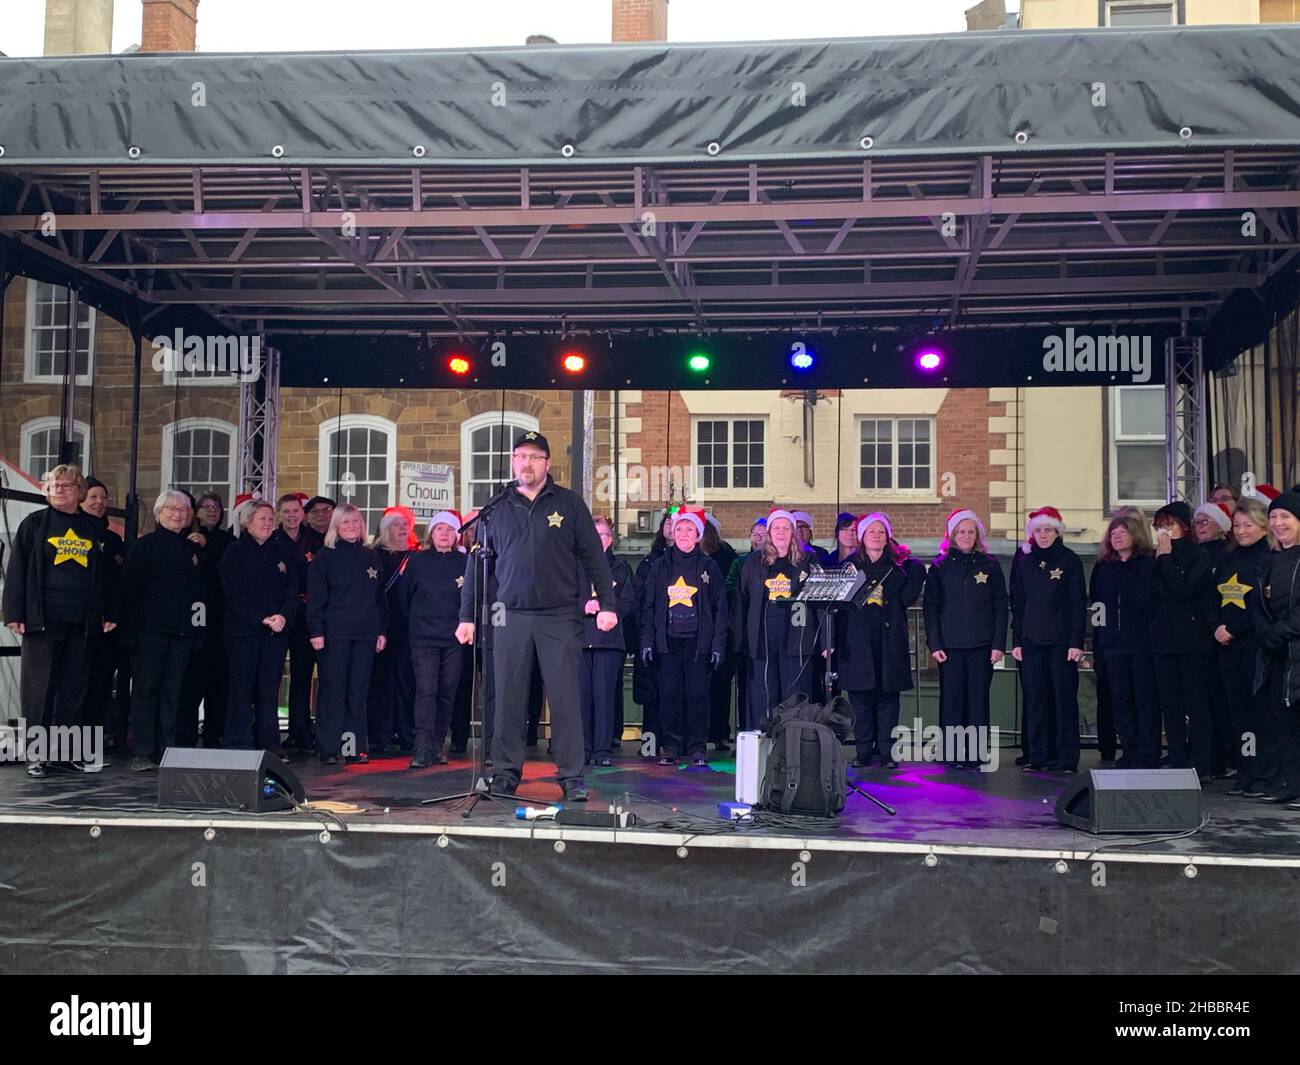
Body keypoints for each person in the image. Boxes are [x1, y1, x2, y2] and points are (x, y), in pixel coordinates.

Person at [454, 432, 616, 802]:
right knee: (507, 700)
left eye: (534, 457)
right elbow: (478, 566)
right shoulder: (496, 508)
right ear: (513, 461)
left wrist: (607, 604)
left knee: (565, 699)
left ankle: (572, 775)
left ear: (547, 463)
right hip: (510, 616)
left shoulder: (570, 504)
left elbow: (595, 558)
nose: (526, 463)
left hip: (560, 616)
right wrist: (467, 617)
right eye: (519, 456)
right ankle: (505, 774)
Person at [3, 465, 117, 777]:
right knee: (38, 691)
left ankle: (68, 754)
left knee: (74, 689)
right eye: (54, 485)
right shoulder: (35, 523)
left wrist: (110, 612)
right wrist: (14, 612)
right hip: (43, 620)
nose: (60, 490)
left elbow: (107, 577)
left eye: (67, 485)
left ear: (79, 491)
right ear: (46, 490)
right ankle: (36, 756)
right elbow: (17, 569)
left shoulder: (92, 528)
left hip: (82, 622)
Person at [120, 490, 210, 771]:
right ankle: (144, 751)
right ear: (159, 513)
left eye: (183, 510)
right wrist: (129, 632)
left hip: (183, 634)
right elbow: (128, 592)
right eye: (172, 509)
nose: (178, 514)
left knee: (174, 692)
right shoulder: (143, 546)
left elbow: (201, 595)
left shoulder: (193, 550)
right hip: (149, 633)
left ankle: (167, 748)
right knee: (146, 690)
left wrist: (199, 631)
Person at [834, 513, 926, 768]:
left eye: (881, 532)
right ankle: (863, 752)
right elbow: (839, 608)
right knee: (860, 700)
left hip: (889, 642)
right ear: (862, 537)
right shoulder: (849, 567)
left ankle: (886, 752)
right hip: (857, 641)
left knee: (888, 699)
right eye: (871, 531)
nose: (877, 535)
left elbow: (907, 597)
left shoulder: (901, 569)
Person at [638, 507, 727, 767]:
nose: (684, 534)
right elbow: (648, 607)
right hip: (668, 643)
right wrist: (647, 641)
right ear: (672, 533)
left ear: (698, 535)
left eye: (690, 529)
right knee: (669, 696)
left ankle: (697, 747)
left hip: (699, 644)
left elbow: (720, 608)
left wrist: (718, 644)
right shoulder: (660, 567)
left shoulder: (709, 567)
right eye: (679, 529)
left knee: (698, 695)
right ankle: (672, 745)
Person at [922, 509, 1008, 766]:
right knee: (951, 701)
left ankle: (976, 754)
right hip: (949, 646)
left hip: (982, 646)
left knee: (978, 701)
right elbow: (931, 607)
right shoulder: (940, 566)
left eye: (971, 531)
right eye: (962, 531)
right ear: (952, 535)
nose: (967, 536)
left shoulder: (990, 565)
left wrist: (998, 644)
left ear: (978, 535)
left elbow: (1001, 606)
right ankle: (952, 753)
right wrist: (934, 643)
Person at [308, 503, 388, 765]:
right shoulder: (324, 557)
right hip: (334, 634)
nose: (352, 527)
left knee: (357, 690)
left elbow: (379, 600)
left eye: (356, 522)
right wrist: (316, 630)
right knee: (333, 690)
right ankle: (329, 748)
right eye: (346, 523)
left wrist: (381, 631)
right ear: (336, 527)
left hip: (365, 634)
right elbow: (317, 598)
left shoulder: (370, 556)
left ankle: (354, 747)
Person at [1011, 507, 1087, 773]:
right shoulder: (1025, 561)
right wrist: (1017, 640)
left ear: (1057, 532)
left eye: (1048, 530)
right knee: (1035, 699)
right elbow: (1019, 603)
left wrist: (1077, 641)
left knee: (1064, 699)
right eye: (1038, 530)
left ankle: (1067, 757)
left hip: (1062, 642)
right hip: (1031, 640)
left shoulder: (1070, 560)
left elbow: (1079, 603)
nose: (1043, 535)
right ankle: (1038, 755)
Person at [219, 501, 298, 752]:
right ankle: (238, 743)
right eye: (261, 518)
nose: (267, 523)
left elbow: (293, 590)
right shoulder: (235, 551)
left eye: (270, 518)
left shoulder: (282, 551)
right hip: (244, 632)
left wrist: (284, 616)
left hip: (275, 633)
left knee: (269, 690)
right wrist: (260, 618)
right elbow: (234, 592)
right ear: (247, 522)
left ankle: (270, 746)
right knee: (241, 689)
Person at [1213, 499, 1278, 797]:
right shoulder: (1229, 559)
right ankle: (1246, 770)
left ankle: (1265, 774)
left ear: (1263, 527)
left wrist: (1235, 629)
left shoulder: (1268, 558)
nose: (1241, 531)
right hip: (1227, 648)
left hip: (1253, 645)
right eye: (1237, 525)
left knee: (1259, 713)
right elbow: (1212, 597)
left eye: (1247, 525)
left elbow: (1261, 607)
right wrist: (1216, 626)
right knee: (1237, 714)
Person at [1148, 501, 1217, 779]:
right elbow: (1147, 596)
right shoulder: (1156, 558)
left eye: (1169, 525)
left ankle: (1202, 760)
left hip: (1191, 641)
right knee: (1170, 702)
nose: (1164, 531)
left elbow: (1184, 590)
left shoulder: (1198, 556)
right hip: (1163, 640)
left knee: (1195, 702)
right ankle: (1176, 754)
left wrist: (1165, 559)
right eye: (1160, 526)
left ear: (1183, 527)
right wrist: (1159, 561)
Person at [733, 508, 819, 728]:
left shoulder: (808, 560)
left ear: (793, 532)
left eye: (786, 527)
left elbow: (820, 601)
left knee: (795, 692)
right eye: (776, 528)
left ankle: (795, 746)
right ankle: (763, 745)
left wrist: (828, 641)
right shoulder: (754, 561)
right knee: (762, 692)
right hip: (761, 636)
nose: (781, 532)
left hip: (797, 636)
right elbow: (742, 600)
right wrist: (740, 638)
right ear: (769, 532)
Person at [1089, 511, 1158, 768]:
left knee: (1144, 698)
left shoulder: (1148, 564)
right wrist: (1099, 642)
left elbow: (1149, 600)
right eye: (1113, 533)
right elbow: (1097, 606)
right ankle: (1129, 750)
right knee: (1120, 700)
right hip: (1112, 644)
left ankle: (1147, 752)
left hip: (1141, 643)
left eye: (1123, 532)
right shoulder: (1105, 567)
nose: (1116, 537)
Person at [401, 511, 467, 768]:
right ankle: (422, 748)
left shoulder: (465, 562)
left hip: (453, 638)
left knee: (447, 691)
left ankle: (438, 745)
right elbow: (404, 597)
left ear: (456, 535)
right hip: (423, 637)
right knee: (426, 691)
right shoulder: (417, 561)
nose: (444, 534)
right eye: (439, 529)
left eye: (449, 530)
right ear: (431, 533)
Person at [179, 491, 234, 748]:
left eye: (216, 506)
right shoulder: (186, 539)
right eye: (206, 507)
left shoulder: (226, 541)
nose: (212, 510)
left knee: (218, 684)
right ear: (196, 512)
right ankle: (187, 736)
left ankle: (215, 735)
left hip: (220, 620)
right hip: (193, 620)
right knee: (192, 684)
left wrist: (207, 545)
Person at [1256, 492, 1300, 807]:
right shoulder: (1269, 559)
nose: (1278, 523)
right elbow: (1258, 604)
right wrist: (1266, 633)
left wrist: (1281, 631)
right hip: (1276, 655)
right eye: (1274, 517)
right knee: (1282, 721)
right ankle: (1291, 782)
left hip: (1294, 648)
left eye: (1285, 517)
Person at [271, 493, 324, 750]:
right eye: (286, 511)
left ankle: (300, 731)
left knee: (302, 676)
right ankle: (268, 733)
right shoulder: (272, 542)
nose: (292, 516)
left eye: (296, 511)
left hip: (305, 617)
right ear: (279, 514)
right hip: (279, 616)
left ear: (303, 514)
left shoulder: (314, 543)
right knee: (271, 677)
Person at [581, 515, 635, 766]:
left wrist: (605, 607)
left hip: (609, 642)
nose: (597, 539)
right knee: (581, 698)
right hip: (579, 640)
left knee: (604, 698)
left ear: (609, 540)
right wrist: (584, 606)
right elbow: (562, 597)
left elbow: (628, 603)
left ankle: (602, 750)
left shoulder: (621, 568)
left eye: (602, 535)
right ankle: (582, 748)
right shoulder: (574, 565)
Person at [80, 477, 129, 751]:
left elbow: (119, 584)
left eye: (103, 497)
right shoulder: (75, 535)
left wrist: (114, 614)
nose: (99, 503)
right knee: (77, 685)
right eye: (93, 497)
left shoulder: (113, 540)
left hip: (109, 627)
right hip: (80, 623)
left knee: (100, 686)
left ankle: (93, 745)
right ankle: (67, 745)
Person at [367, 506, 419, 755]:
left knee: (407, 682)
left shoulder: (415, 557)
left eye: (404, 525)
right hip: (383, 625)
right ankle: (380, 734)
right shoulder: (374, 556)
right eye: (396, 525)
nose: (402, 529)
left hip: (409, 627)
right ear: (385, 529)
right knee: (381, 682)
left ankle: (407, 733)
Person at [632, 511, 675, 753]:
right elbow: (640, 601)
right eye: (668, 523)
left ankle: (673, 742)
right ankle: (649, 742)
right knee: (650, 692)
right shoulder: (649, 563)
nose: (672, 528)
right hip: (652, 634)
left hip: (677, 634)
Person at [700, 513, 738, 752]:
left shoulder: (728, 558)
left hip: (723, 630)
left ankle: (719, 732)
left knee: (720, 685)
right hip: (696, 630)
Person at [1194, 502, 1233, 569]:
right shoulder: (1192, 550)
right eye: (1197, 522)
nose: (1200, 526)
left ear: (1220, 527)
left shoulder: (1228, 553)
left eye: (1205, 521)